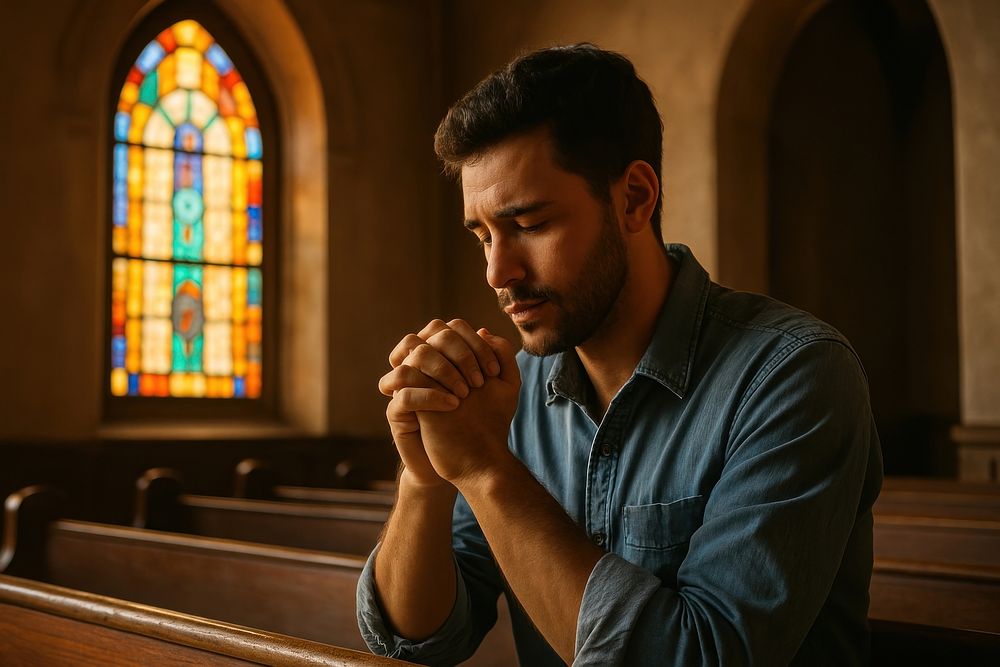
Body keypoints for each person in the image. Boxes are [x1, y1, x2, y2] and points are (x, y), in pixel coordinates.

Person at [356, 44, 883, 666]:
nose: (499, 272)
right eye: (483, 235)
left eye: (529, 224)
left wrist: (486, 470)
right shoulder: (511, 392)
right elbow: (420, 640)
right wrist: (424, 477)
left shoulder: (793, 373)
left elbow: (699, 657)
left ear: (634, 197)